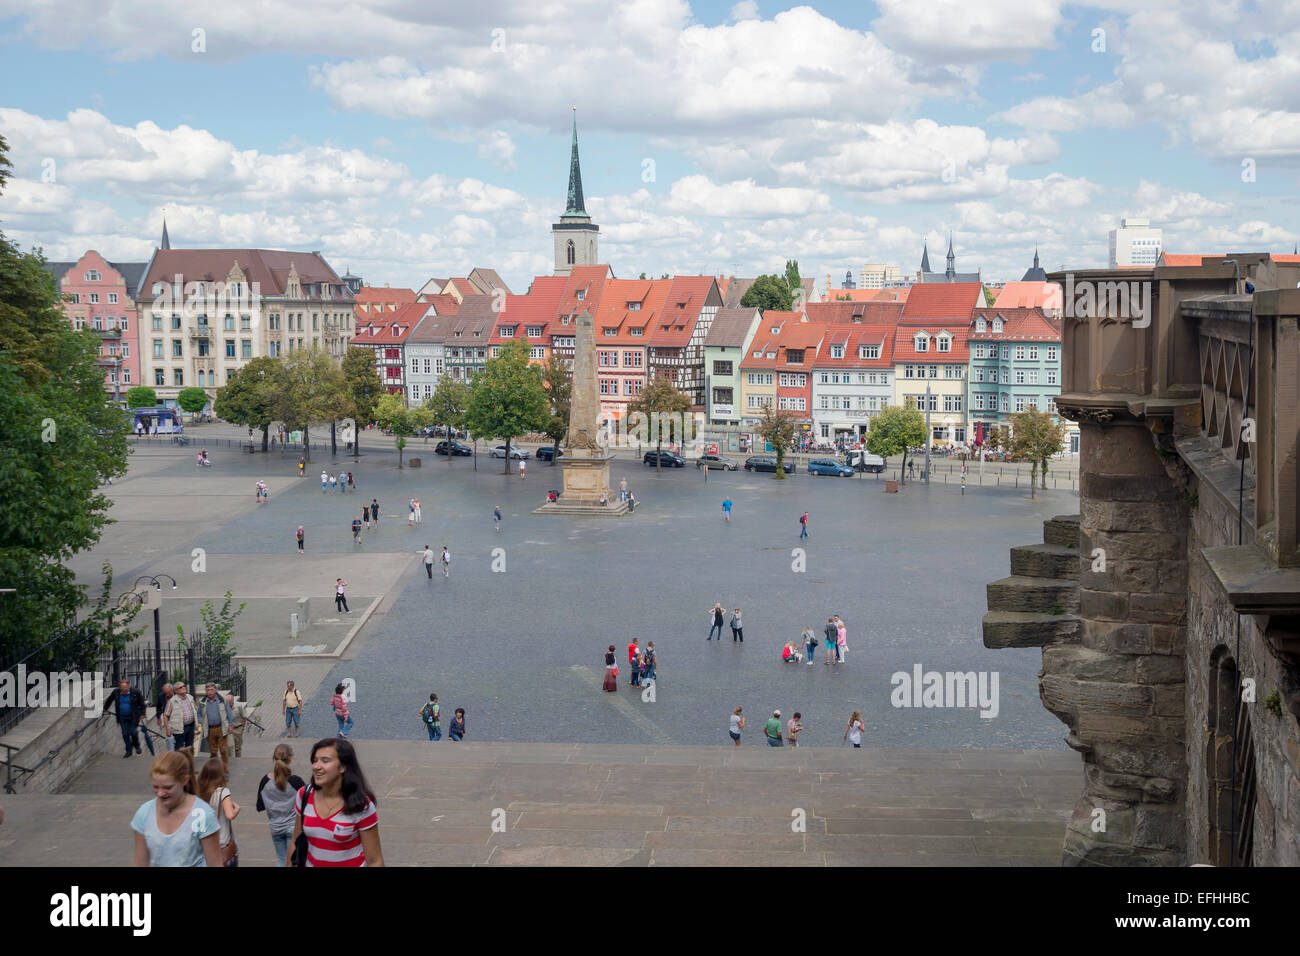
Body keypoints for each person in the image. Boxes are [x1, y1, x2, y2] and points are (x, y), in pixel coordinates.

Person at [288, 738, 383, 867]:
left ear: (343, 767)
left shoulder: (361, 806)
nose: (316, 766)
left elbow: (375, 861)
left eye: (325, 761)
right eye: (315, 761)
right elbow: (295, 841)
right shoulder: (304, 795)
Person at [131, 751, 222, 867]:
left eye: (167, 787)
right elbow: (139, 862)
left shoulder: (201, 815)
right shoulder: (144, 813)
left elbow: (215, 863)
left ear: (185, 780)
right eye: (155, 787)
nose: (160, 793)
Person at [256, 744, 306, 868]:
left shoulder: (265, 781)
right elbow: (307, 800)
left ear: (274, 757)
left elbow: (260, 806)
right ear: (290, 759)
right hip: (292, 826)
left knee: (281, 859)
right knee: (292, 861)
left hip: (275, 827)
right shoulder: (296, 781)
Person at [197, 757, 240, 867]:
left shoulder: (199, 791)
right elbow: (230, 815)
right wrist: (236, 808)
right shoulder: (223, 792)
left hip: (204, 843)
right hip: (221, 842)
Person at [105, 679, 152, 758]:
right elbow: (109, 700)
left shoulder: (136, 692)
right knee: (125, 734)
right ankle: (128, 751)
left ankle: (137, 746)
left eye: (126, 689)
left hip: (133, 716)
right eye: (122, 690)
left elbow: (142, 704)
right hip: (122, 717)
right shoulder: (116, 692)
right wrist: (105, 708)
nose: (124, 691)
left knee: (133, 732)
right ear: (120, 688)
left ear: (129, 686)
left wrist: (143, 714)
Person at [200, 683, 232, 765]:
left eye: (212, 690)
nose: (210, 692)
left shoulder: (222, 699)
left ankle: (225, 770)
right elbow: (198, 714)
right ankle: (215, 769)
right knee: (213, 751)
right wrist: (201, 722)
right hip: (210, 729)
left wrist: (230, 725)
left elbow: (229, 712)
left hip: (221, 728)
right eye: (208, 690)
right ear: (205, 691)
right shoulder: (202, 702)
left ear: (215, 690)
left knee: (223, 750)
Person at [163, 682, 198, 754]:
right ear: (176, 691)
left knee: (190, 747)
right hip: (178, 728)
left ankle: (189, 763)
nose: (184, 687)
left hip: (190, 726)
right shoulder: (172, 701)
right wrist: (167, 729)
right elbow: (165, 716)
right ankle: (179, 763)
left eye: (184, 686)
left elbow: (195, 709)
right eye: (181, 687)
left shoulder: (190, 697)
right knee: (179, 749)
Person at [227, 693, 250, 759]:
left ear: (233, 701)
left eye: (230, 703)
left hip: (237, 728)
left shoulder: (239, 706)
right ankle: (229, 759)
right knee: (229, 746)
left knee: (237, 747)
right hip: (229, 729)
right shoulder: (224, 706)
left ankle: (238, 759)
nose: (228, 705)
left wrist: (242, 728)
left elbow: (244, 717)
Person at [155, 682, 175, 751]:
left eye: (168, 693)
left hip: (177, 718)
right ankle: (171, 753)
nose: (167, 695)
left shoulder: (177, 695)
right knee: (169, 738)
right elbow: (158, 707)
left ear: (172, 690)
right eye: (165, 693)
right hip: (167, 719)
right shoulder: (161, 696)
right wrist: (158, 718)